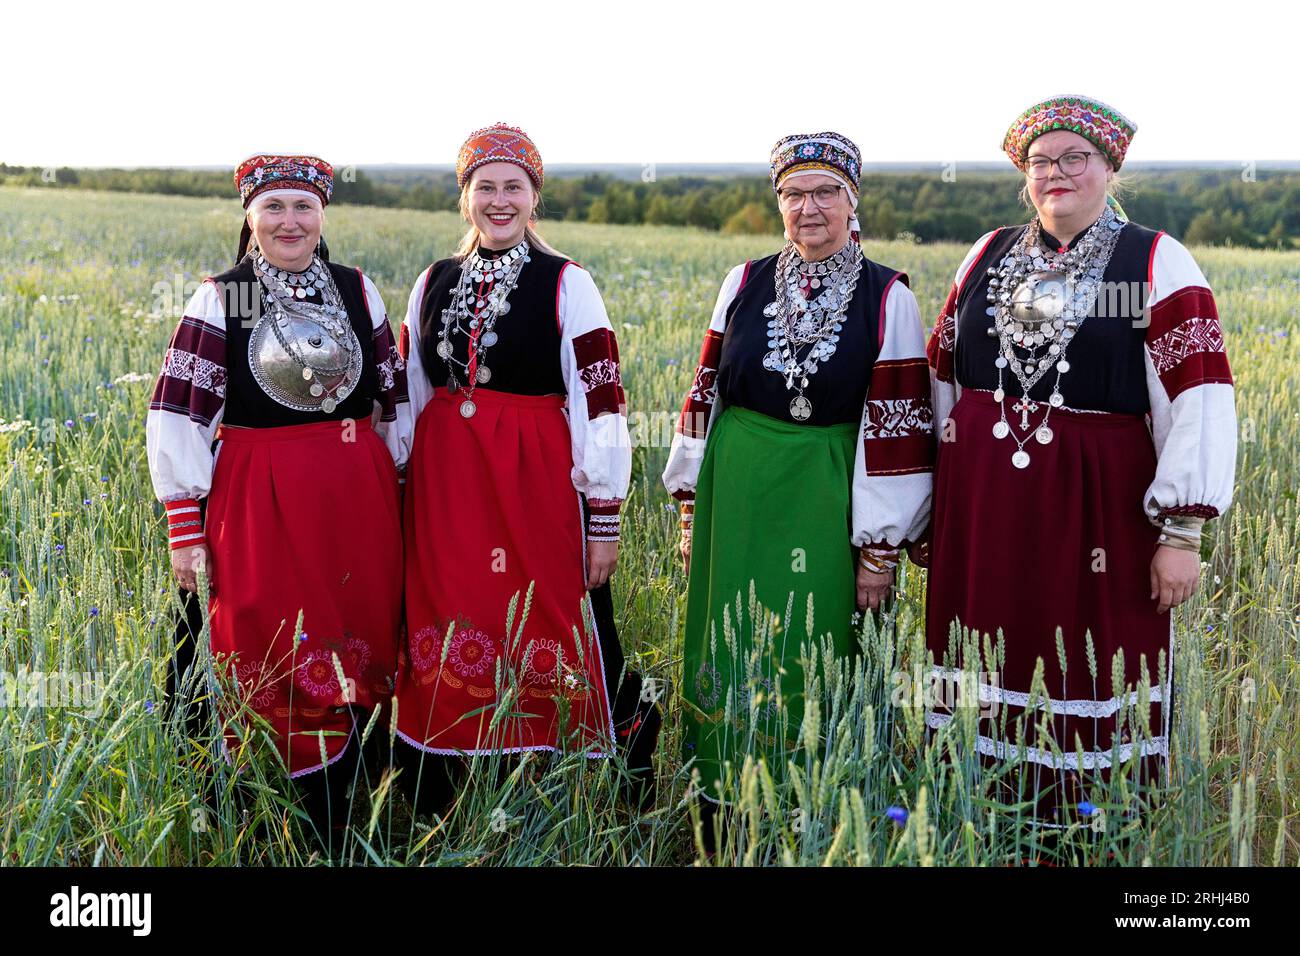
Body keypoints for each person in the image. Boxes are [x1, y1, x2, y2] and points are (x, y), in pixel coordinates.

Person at [920, 95, 1237, 826]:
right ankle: (980, 821)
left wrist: (1183, 531)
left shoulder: (1157, 259)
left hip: (1098, 507)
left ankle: (1090, 825)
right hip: (983, 503)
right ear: (1023, 177)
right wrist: (934, 504)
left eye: (1074, 158)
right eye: (1040, 162)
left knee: (1085, 655)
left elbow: (1199, 398)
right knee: (984, 654)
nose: (1056, 173)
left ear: (1108, 168)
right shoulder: (987, 252)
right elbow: (943, 379)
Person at [662, 131, 934, 845]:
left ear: (852, 201)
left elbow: (898, 426)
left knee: (819, 647)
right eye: (793, 195)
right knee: (734, 641)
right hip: (740, 491)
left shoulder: (888, 297)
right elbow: (705, 393)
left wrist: (877, 553)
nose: (808, 209)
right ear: (777, 203)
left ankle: (819, 811)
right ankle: (722, 803)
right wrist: (693, 507)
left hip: (829, 492)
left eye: (823, 193)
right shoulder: (743, 281)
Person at [146, 154, 413, 846]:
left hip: (359, 499)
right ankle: (271, 812)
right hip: (261, 497)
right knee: (270, 640)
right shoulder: (224, 296)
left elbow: (394, 399)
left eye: (303, 207)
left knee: (358, 641)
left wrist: (400, 488)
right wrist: (185, 526)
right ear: (249, 216)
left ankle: (354, 800)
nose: (289, 221)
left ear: (323, 214)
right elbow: (178, 412)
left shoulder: (358, 291)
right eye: (274, 207)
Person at [393, 124, 657, 815]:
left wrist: (603, 520)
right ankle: (448, 782)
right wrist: (399, 487)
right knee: (450, 617)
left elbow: (601, 403)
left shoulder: (569, 283)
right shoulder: (432, 281)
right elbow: (409, 394)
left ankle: (610, 780)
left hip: (535, 481)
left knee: (565, 618)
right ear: (465, 198)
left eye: (515, 187)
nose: (500, 200)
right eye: (487, 187)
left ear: (534, 197)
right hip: (447, 487)